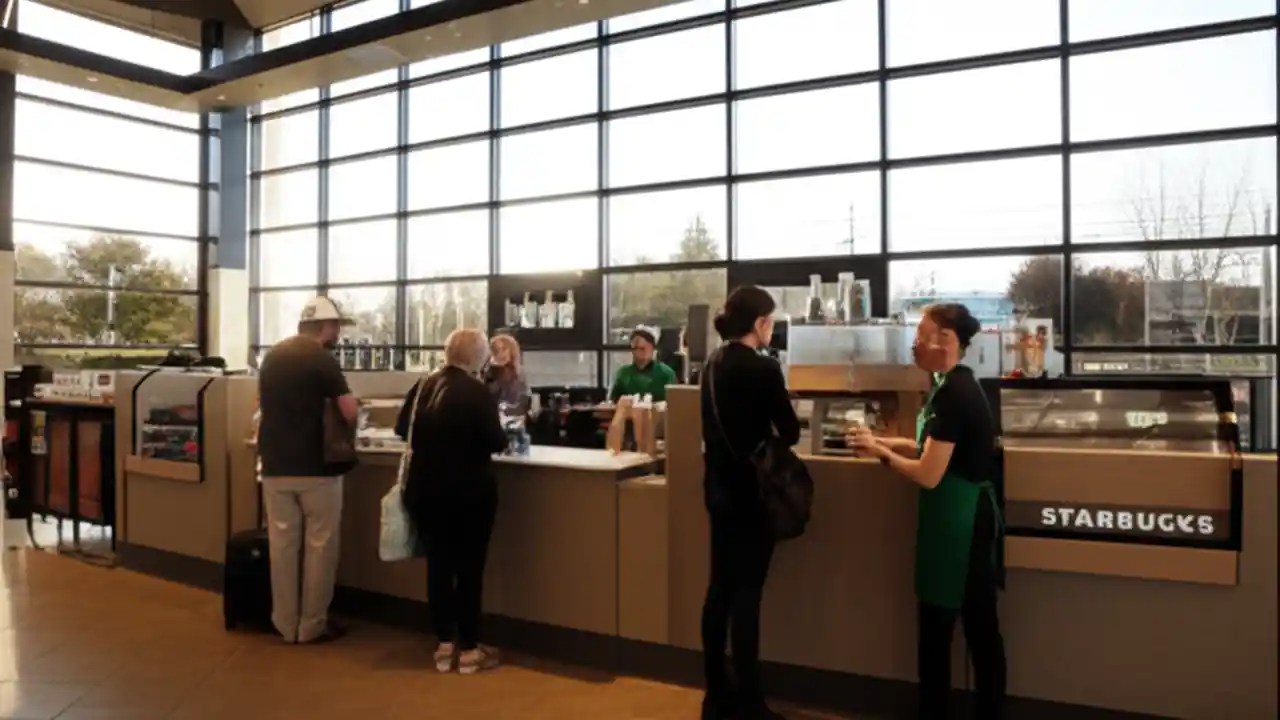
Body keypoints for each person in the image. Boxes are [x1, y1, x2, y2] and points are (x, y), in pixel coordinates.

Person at [848, 303, 1007, 720]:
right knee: (979, 629)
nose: (915, 341)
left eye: (922, 332)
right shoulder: (950, 384)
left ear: (948, 341)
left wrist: (879, 453)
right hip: (959, 518)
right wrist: (881, 441)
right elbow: (928, 446)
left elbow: (928, 473)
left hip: (963, 524)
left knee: (950, 633)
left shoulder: (955, 393)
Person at [699, 286, 800, 720]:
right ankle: (750, 701)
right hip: (754, 495)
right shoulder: (764, 370)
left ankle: (715, 694)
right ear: (759, 323)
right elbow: (791, 431)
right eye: (771, 321)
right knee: (747, 595)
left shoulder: (711, 364)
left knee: (719, 588)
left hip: (718, 489)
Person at [395, 328, 508, 675]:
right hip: (469, 495)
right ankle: (471, 651)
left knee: (439, 569)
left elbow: (402, 429)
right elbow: (495, 440)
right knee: (470, 571)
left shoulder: (423, 385)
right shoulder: (475, 391)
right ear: (477, 357)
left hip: (425, 493)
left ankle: (444, 647)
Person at [257, 296, 359, 644]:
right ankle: (311, 625)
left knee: (282, 547)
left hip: (273, 465)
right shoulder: (321, 359)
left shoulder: (272, 357)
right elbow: (348, 411)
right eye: (336, 327)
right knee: (320, 546)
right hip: (316, 468)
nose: (338, 333)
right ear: (324, 328)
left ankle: (284, 624)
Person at [609, 326, 678, 402]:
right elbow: (613, 402)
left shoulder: (666, 374)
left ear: (653, 349)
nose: (638, 353)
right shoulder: (623, 373)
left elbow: (673, 405)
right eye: (635, 348)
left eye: (642, 349)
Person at [484, 334, 530, 412]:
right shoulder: (487, 371)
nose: (499, 353)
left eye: (503, 349)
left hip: (513, 416)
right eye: (495, 349)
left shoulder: (519, 372)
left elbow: (524, 399)